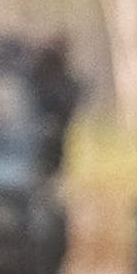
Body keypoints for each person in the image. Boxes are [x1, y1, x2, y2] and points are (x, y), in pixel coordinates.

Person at [27, 33, 84, 173]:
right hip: (33, 140)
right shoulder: (34, 76)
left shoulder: (64, 81)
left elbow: (68, 103)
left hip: (51, 141)